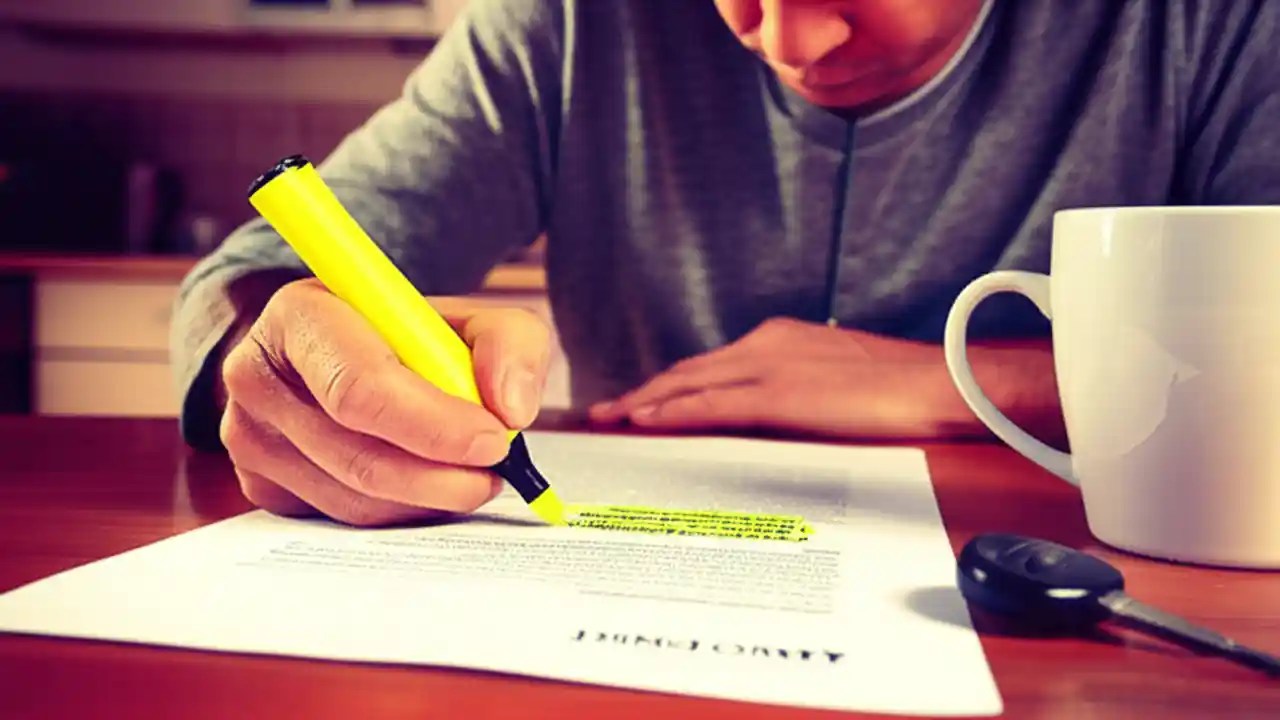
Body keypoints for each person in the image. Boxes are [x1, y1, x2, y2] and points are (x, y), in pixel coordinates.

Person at [171, 0, 1280, 527]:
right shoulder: (563, 22)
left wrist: (968, 380)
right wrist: (286, 352)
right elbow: (252, 275)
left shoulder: (1217, 27)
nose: (785, 44)